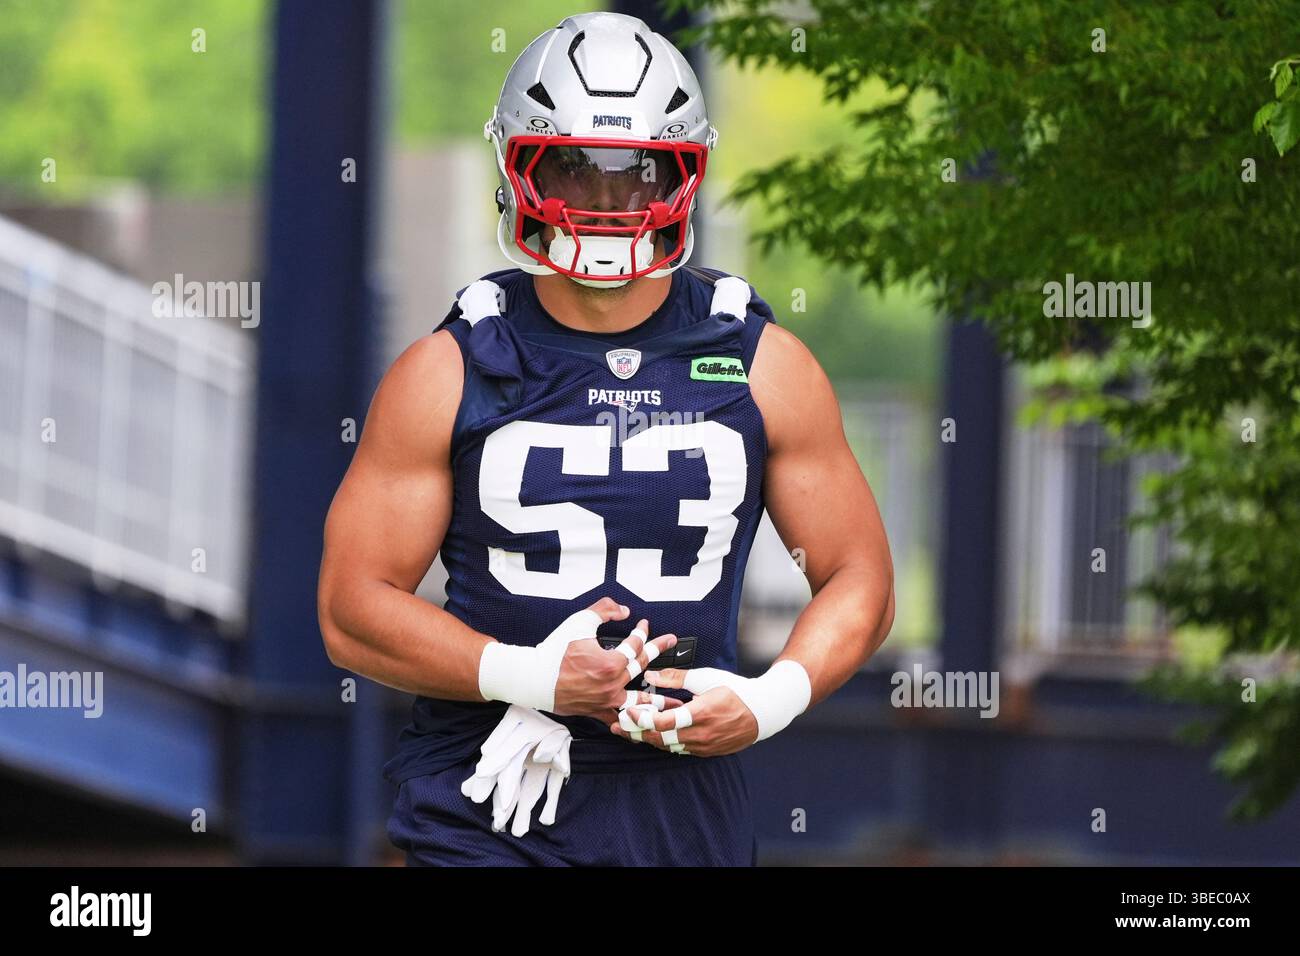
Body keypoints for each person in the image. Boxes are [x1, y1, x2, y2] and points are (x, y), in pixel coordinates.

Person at [317, 11, 895, 866]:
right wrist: (530, 677)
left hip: (682, 793)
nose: (607, 197)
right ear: (519, 168)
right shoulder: (448, 369)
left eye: (636, 174)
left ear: (683, 177)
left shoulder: (760, 364)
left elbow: (862, 578)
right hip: (491, 787)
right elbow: (349, 608)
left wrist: (769, 700)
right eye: (575, 170)